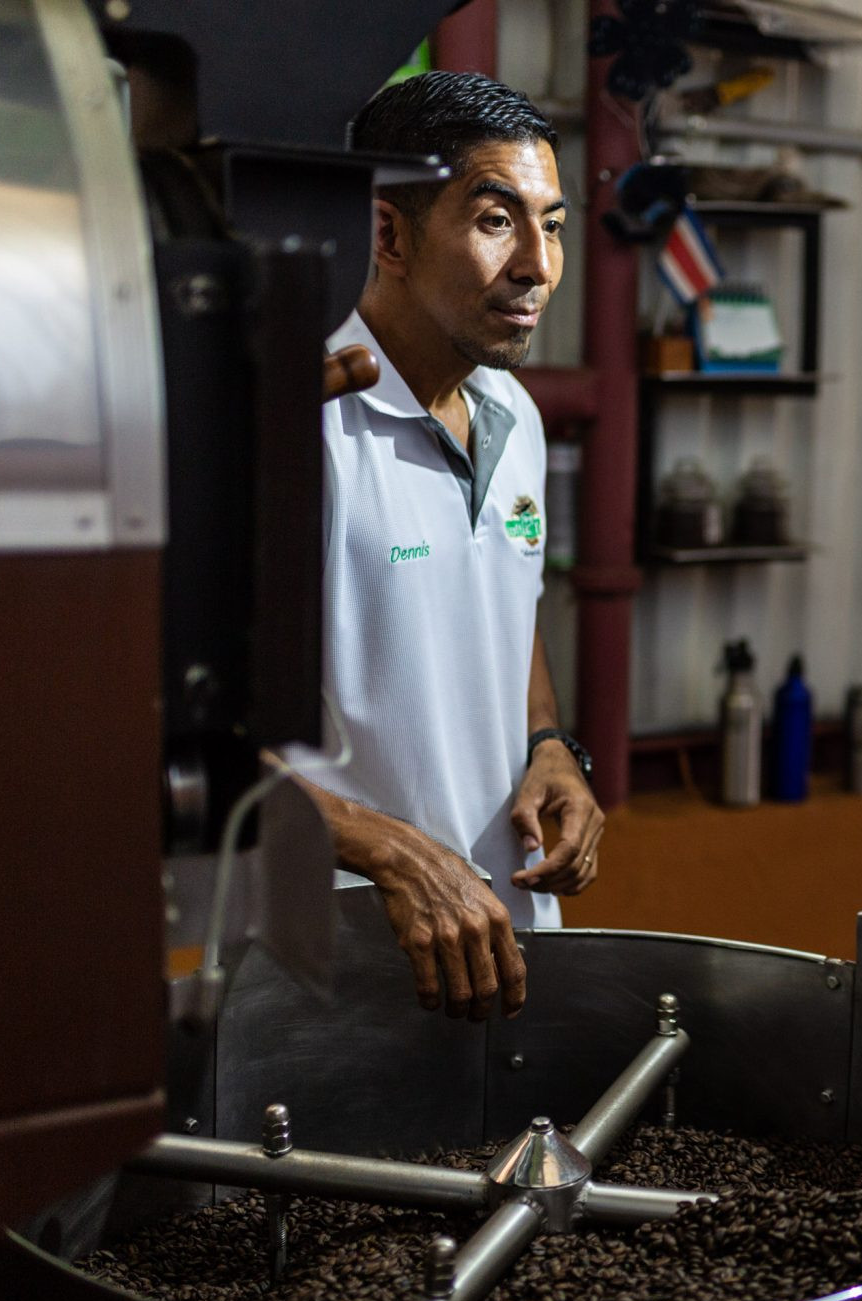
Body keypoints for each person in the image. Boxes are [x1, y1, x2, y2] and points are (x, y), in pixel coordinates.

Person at [283, 72, 604, 1023]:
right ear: (388, 234)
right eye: (498, 221)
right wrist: (391, 850)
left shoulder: (516, 412)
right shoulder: (303, 422)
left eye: (552, 226)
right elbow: (180, 745)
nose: (539, 267)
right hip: (341, 956)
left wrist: (549, 745)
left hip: (508, 932)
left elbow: (506, 610)